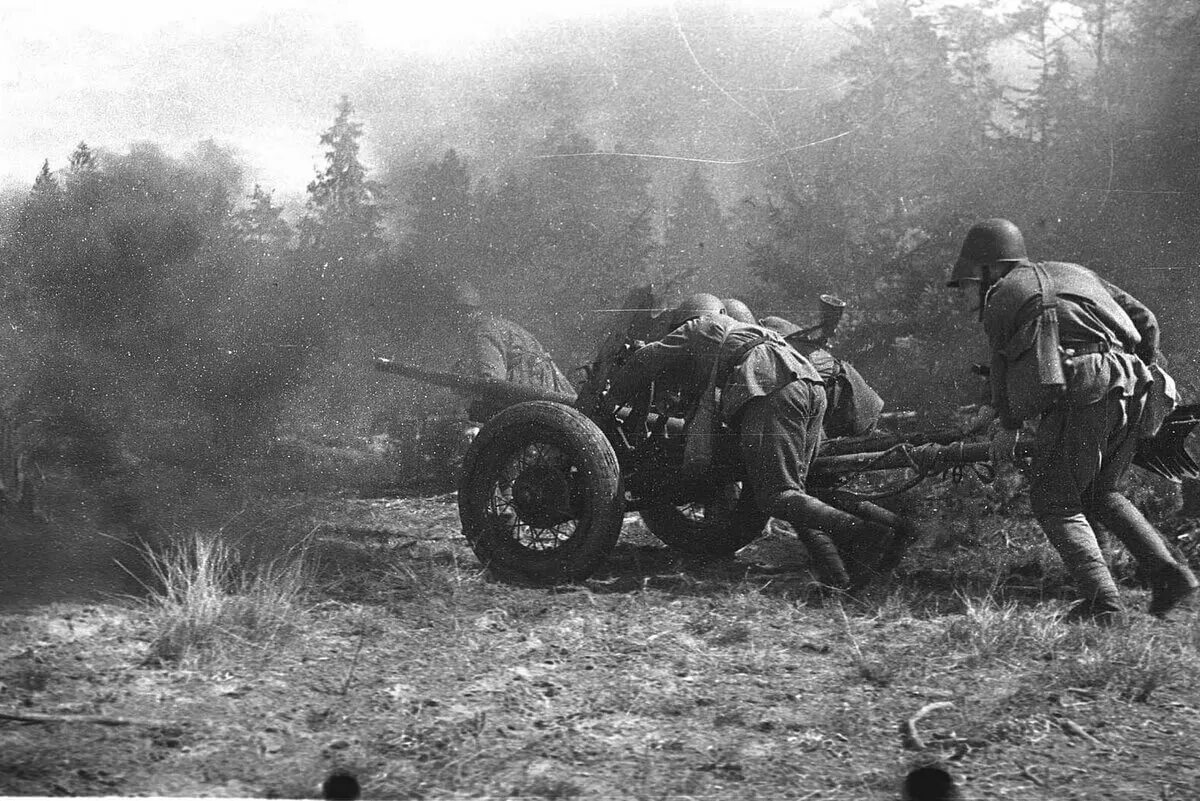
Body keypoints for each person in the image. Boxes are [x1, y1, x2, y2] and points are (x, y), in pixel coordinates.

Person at [949, 217, 1198, 623]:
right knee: (1102, 491)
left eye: (969, 281)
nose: (966, 291)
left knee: (1054, 499)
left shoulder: (1001, 297)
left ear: (989, 268)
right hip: (1133, 381)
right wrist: (1141, 369)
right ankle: (1171, 575)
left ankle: (1104, 605)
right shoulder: (1076, 273)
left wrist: (1007, 426)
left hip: (1086, 386)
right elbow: (1147, 319)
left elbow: (1000, 372)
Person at [603, 292, 898, 589]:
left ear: (688, 319)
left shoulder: (698, 328)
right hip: (809, 387)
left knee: (776, 495)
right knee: (801, 491)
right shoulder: (745, 334)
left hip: (774, 387)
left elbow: (645, 359)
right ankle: (841, 581)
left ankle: (863, 534)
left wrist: (609, 399)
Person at [450, 281, 575, 423]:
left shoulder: (482, 331)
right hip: (552, 400)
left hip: (532, 402)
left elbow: (491, 381)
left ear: (461, 313)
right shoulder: (501, 325)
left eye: (454, 315)